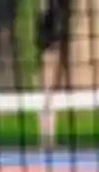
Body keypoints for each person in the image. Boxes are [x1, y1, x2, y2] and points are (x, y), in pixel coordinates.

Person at [37, 0, 73, 148]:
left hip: (58, 34)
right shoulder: (49, 11)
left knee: (52, 90)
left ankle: (48, 135)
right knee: (48, 89)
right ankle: (47, 136)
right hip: (51, 39)